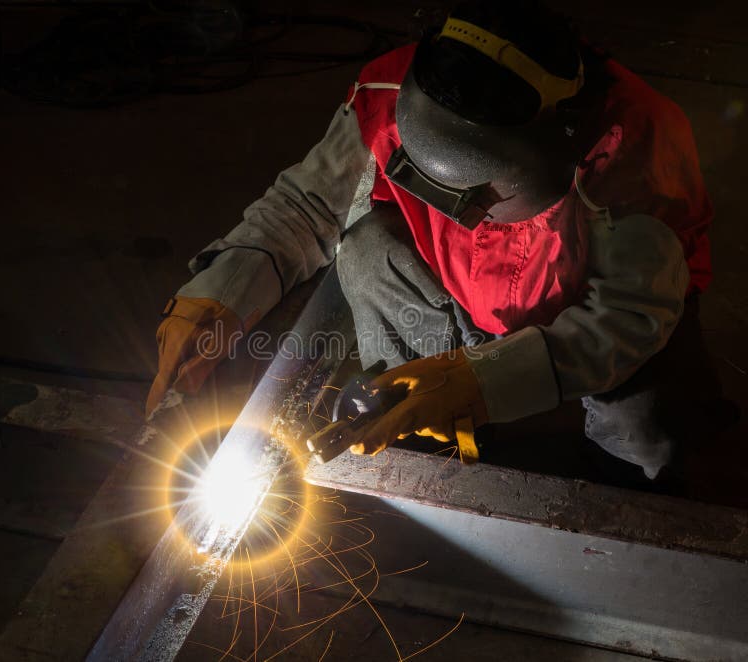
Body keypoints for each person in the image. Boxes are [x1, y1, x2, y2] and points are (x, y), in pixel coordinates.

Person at [147, 0, 723, 481]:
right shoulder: (391, 93)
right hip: (456, 291)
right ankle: (422, 437)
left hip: (588, 317)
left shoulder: (635, 147)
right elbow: (305, 207)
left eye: (487, 194)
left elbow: (626, 315)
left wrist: (487, 378)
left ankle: (627, 494)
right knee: (369, 248)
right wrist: (217, 297)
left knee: (648, 430)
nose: (475, 214)